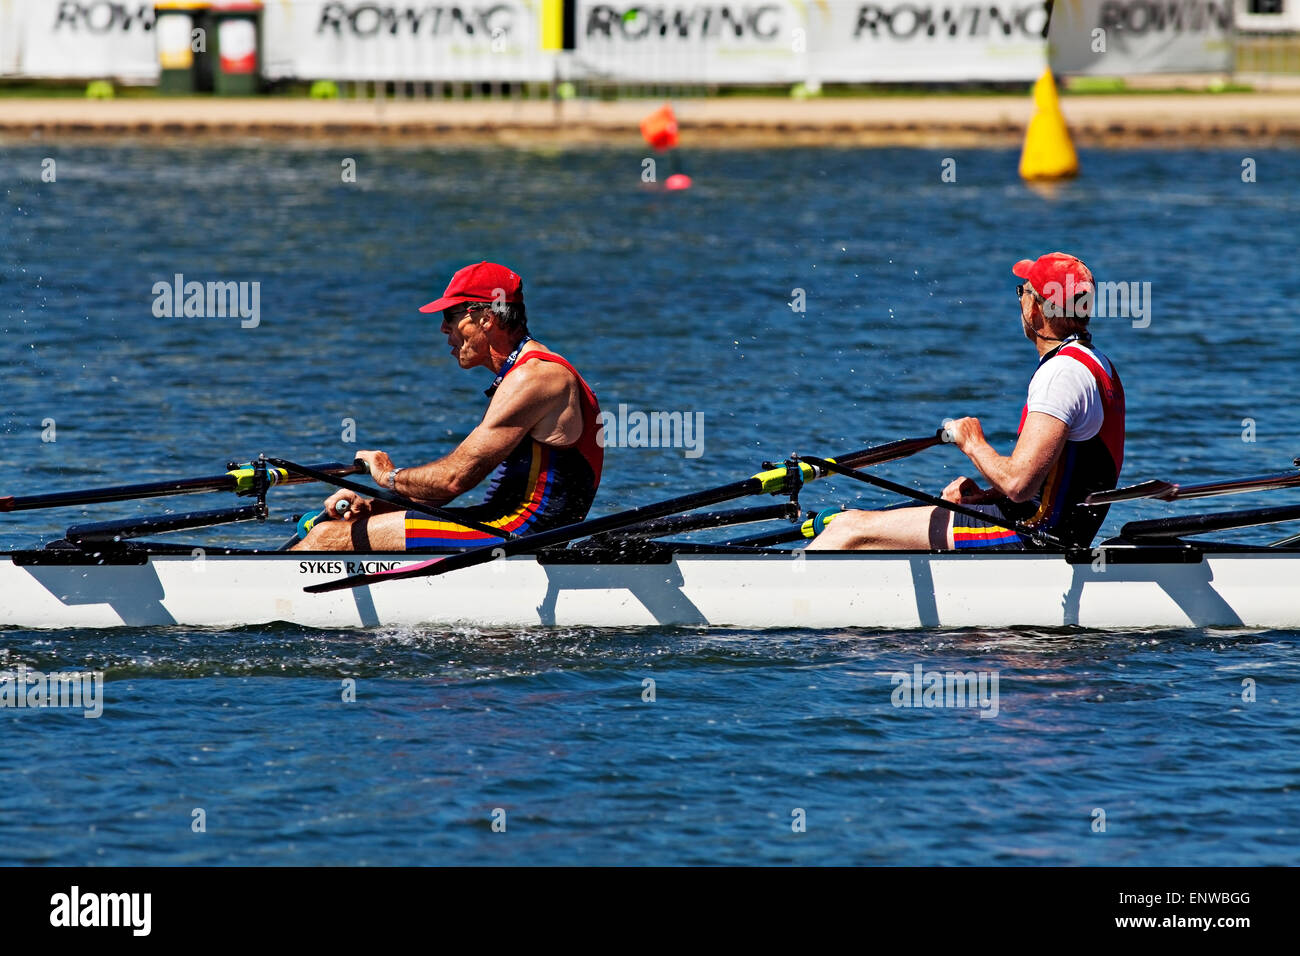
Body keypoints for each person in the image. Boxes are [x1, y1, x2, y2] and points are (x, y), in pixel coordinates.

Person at [809, 252, 1124, 551]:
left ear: (1034, 310)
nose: (1020, 301)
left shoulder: (1061, 375)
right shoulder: (1097, 364)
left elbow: (1018, 484)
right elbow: (1058, 480)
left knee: (847, 527)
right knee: (884, 524)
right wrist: (987, 496)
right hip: (1050, 530)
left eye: (1022, 292)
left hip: (1031, 537)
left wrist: (972, 443)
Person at [294, 261, 603, 551]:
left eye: (450, 316)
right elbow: (445, 489)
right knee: (352, 522)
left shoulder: (536, 377)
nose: (443, 328)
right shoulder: (523, 372)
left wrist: (387, 475)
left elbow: (452, 480)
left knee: (325, 537)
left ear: (486, 318)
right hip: (500, 522)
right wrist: (373, 505)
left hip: (520, 535)